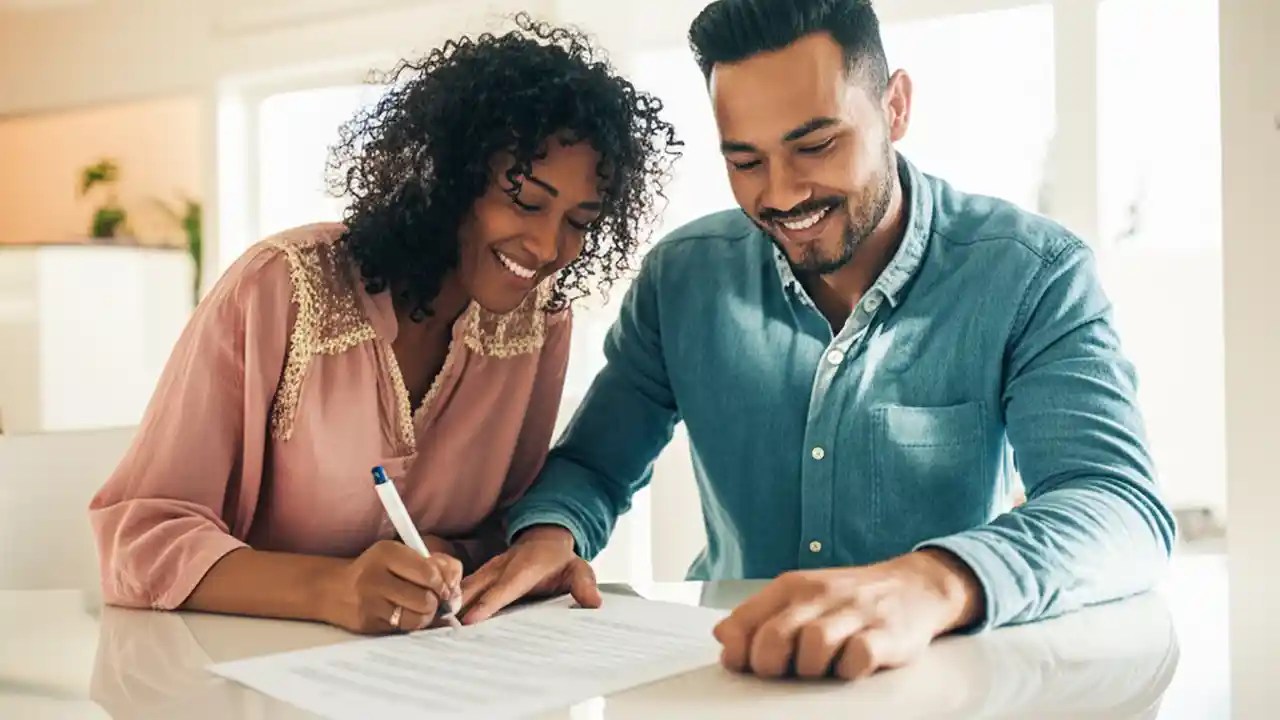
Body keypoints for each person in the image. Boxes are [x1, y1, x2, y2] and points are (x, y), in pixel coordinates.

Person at [460, 0, 1176, 681]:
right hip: (726, 674)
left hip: (938, 679)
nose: (780, 194)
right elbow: (594, 465)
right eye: (746, 162)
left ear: (895, 107)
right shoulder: (681, 278)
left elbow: (1116, 503)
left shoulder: (1033, 274)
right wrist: (549, 535)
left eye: (815, 145)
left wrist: (931, 582)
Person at [88, 14, 680, 635]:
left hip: (422, 670)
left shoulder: (539, 321)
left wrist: (473, 558)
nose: (547, 246)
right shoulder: (280, 288)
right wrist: (332, 589)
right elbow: (140, 538)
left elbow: (500, 526)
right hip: (233, 663)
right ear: (451, 178)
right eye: (526, 201)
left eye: (579, 221)